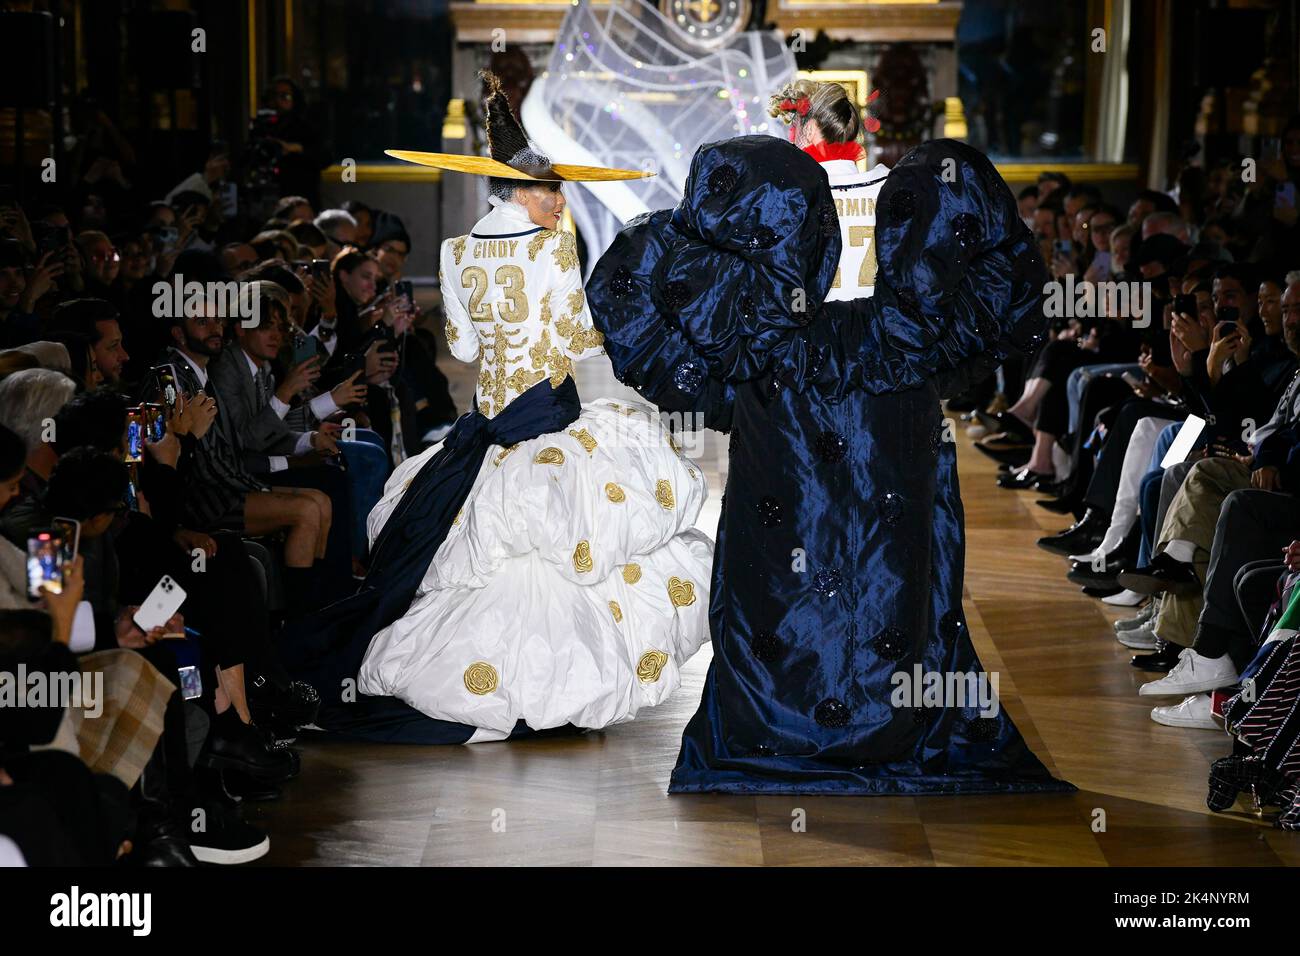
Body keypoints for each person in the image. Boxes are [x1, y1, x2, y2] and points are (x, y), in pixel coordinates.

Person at [586, 79, 1071, 795]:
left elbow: (663, 275)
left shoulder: (768, 196)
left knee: (779, 562)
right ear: (861, 130)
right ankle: (897, 720)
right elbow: (992, 285)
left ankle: (774, 723)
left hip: (784, 398)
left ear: (796, 128)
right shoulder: (910, 191)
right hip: (892, 400)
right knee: (897, 559)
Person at [284, 71, 713, 743]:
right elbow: (576, 336)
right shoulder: (551, 246)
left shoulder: (457, 252)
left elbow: (458, 340)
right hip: (546, 417)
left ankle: (483, 685)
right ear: (523, 189)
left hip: (489, 423)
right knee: (559, 546)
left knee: (494, 553)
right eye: (553, 188)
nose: (561, 200)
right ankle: (545, 690)